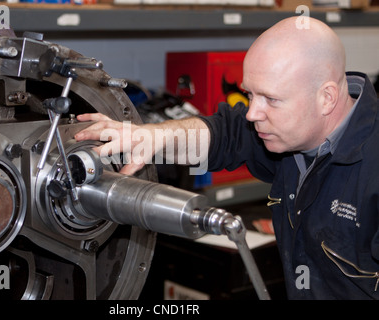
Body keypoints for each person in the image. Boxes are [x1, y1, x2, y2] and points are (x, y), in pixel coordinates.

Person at [74, 16, 379, 299]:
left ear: (326, 97)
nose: (253, 113)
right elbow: (225, 134)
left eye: (271, 99)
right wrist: (152, 138)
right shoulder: (290, 132)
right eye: (250, 95)